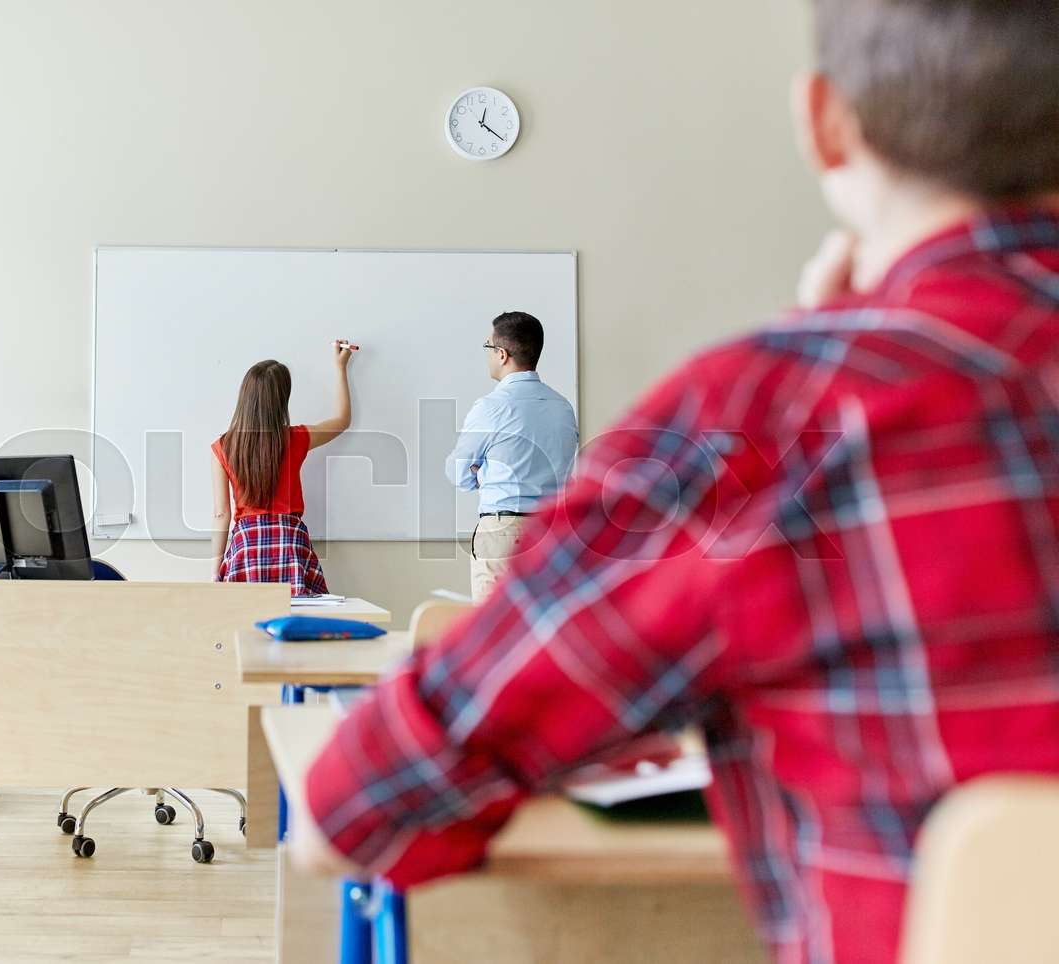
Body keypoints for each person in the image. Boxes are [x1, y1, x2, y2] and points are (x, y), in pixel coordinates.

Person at [291, 2, 1059, 962]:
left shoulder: (762, 420)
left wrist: (822, 357)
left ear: (824, 123)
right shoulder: (668, 410)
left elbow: (353, 813)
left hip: (504, 535)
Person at [445, 311, 578, 599]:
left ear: (502, 354)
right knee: (542, 621)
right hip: (553, 532)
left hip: (503, 532)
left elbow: (457, 471)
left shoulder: (491, 407)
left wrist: (481, 475)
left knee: (495, 622)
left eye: (488, 347)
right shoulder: (563, 407)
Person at [212, 341, 357, 596]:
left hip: (246, 544)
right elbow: (342, 420)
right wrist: (340, 368)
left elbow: (221, 513)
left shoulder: (224, 446)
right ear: (282, 401)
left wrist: (216, 570)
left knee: (245, 614)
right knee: (295, 613)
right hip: (290, 541)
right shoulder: (295, 438)